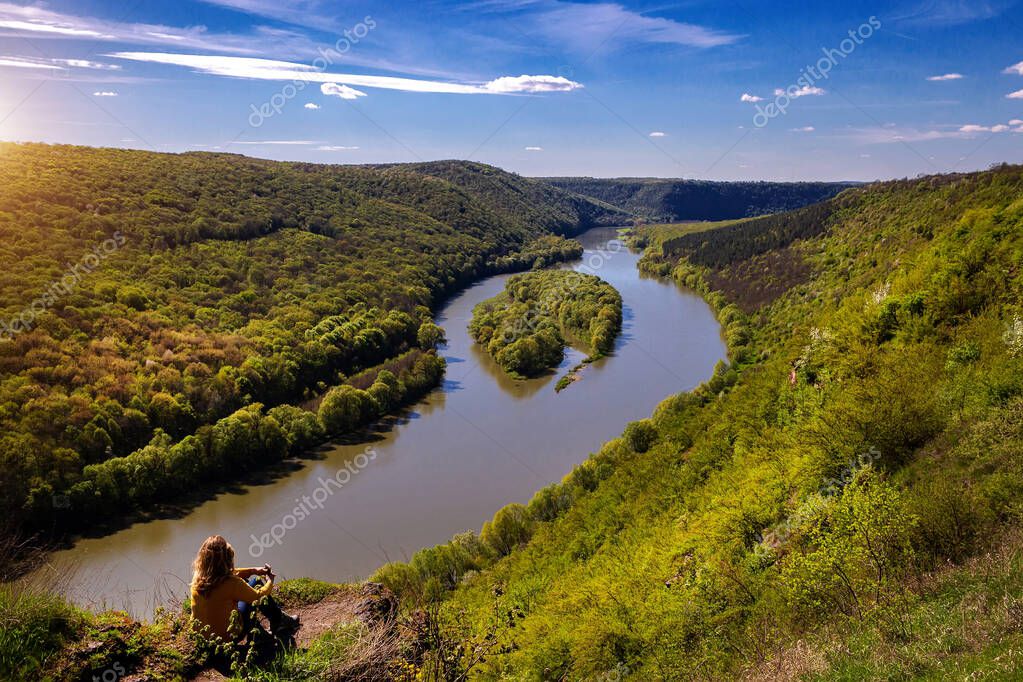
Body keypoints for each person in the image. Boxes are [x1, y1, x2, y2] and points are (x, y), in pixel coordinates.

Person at [189, 535, 300, 647]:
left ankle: (262, 632)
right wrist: (270, 581)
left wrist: (253, 570)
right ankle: (277, 622)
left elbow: (226, 573)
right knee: (256, 582)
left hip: (202, 637)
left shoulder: (197, 578)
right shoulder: (232, 583)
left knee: (245, 588)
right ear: (227, 560)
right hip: (229, 637)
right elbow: (258, 596)